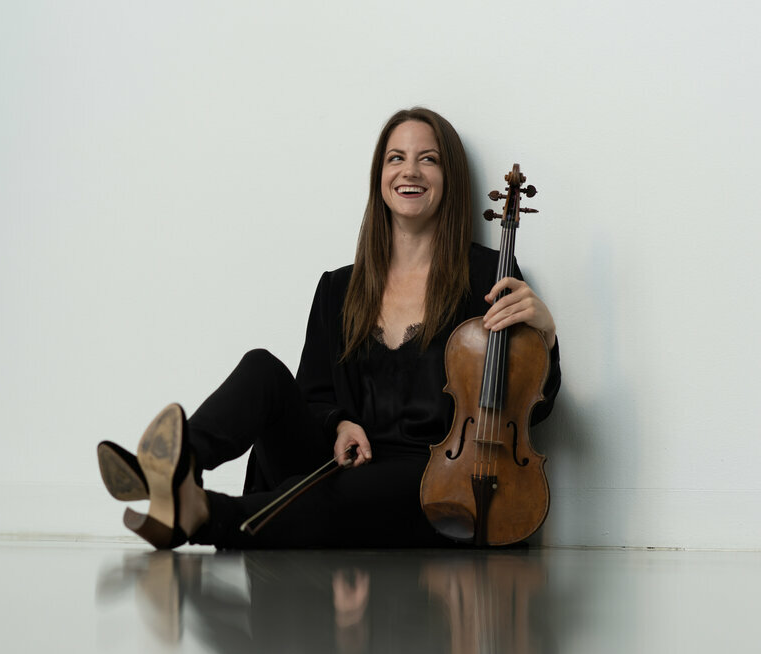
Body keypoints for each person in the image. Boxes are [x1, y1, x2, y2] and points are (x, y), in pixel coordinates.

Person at [97, 107, 561, 549]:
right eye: (395, 158)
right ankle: (174, 467)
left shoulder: (486, 277)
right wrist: (338, 424)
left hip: (432, 478)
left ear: (450, 178)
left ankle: (201, 515)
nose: (410, 171)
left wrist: (545, 332)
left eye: (429, 159)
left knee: (359, 492)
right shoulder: (339, 287)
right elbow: (314, 394)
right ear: (379, 177)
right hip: (341, 460)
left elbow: (526, 408)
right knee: (260, 368)